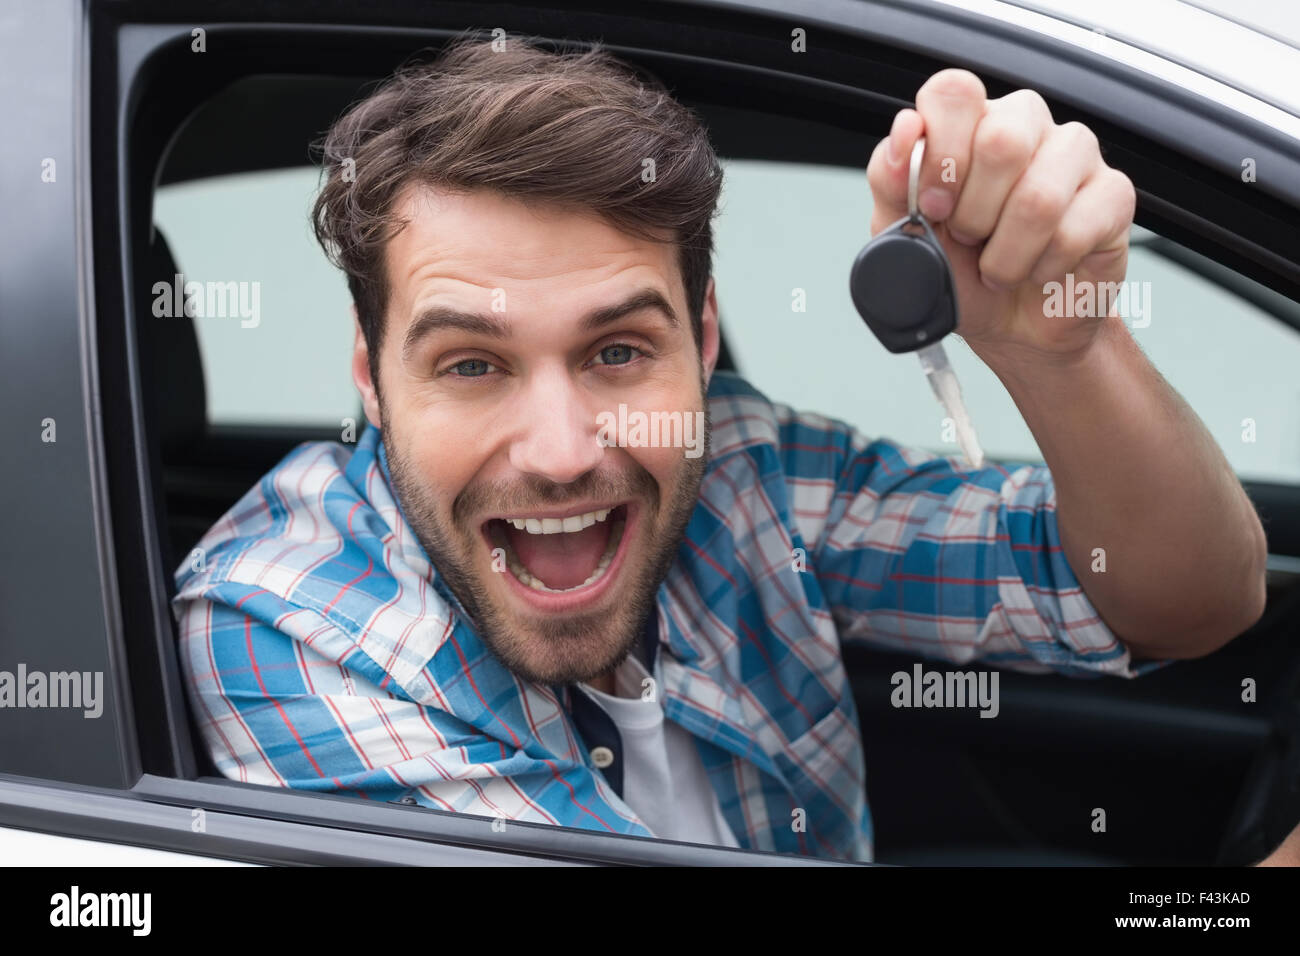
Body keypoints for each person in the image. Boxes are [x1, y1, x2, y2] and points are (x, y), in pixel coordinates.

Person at [171, 30, 1276, 863]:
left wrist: (1062, 356)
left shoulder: (742, 464)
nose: (561, 452)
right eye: (471, 364)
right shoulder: (283, 618)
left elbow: (1186, 602)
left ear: (701, 343)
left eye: (617, 351)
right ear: (368, 373)